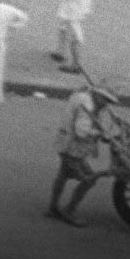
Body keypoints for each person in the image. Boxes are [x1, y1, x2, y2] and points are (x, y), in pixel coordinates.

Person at [46, 82, 116, 225]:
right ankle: (69, 210)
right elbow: (81, 132)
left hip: (65, 143)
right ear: (98, 96)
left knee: (63, 176)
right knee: (89, 178)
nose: (106, 104)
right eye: (106, 100)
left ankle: (52, 207)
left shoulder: (81, 95)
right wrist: (100, 134)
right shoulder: (87, 107)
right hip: (72, 148)